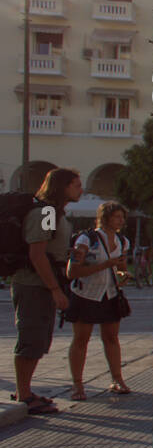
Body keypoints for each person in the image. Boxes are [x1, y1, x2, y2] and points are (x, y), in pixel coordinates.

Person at [9, 168, 81, 415]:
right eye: (76, 185)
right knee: (31, 338)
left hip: (42, 283)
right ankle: (24, 394)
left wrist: (69, 255)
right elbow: (37, 255)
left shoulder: (55, 213)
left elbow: (48, 249)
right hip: (33, 285)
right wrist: (54, 289)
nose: (80, 189)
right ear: (63, 187)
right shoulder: (46, 212)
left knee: (39, 339)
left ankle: (25, 390)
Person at [66, 201, 132, 400]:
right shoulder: (87, 239)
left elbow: (121, 267)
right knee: (81, 339)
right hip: (87, 294)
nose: (121, 221)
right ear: (105, 218)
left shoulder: (122, 241)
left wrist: (123, 275)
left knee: (111, 337)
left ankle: (117, 379)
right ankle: (77, 385)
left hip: (109, 294)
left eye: (122, 217)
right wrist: (105, 265)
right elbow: (72, 271)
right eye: (116, 217)